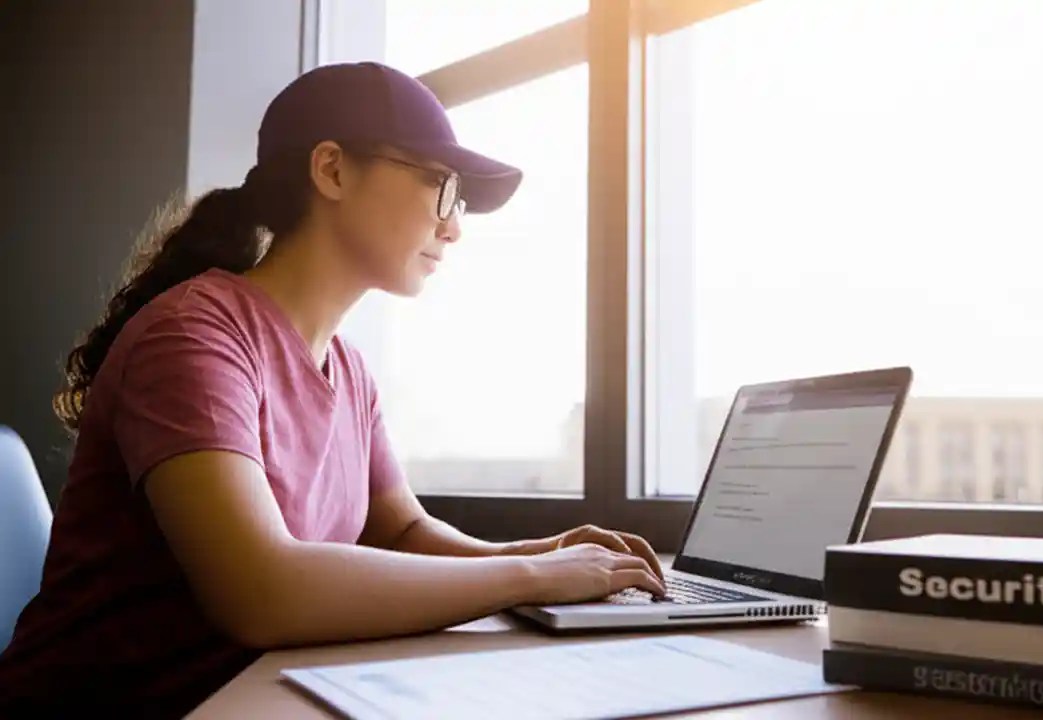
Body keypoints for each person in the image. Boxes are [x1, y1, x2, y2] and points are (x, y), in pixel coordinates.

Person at [0, 61, 666, 718]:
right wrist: (535, 578)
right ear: (333, 170)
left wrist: (539, 553)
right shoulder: (193, 334)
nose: (454, 225)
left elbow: (400, 531)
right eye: (440, 186)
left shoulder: (348, 370)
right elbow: (262, 591)